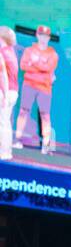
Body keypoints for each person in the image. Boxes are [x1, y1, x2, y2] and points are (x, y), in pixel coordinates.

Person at [15, 24, 58, 155]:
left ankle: (46, 145)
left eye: (46, 36)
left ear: (49, 37)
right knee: (23, 111)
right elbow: (23, 65)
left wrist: (33, 63)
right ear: (37, 35)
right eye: (41, 35)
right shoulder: (29, 50)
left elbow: (48, 68)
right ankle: (17, 140)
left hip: (44, 88)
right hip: (29, 85)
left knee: (45, 115)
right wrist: (39, 66)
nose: (43, 38)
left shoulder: (53, 54)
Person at [0, 28, 17, 161]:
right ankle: (7, 151)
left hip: (5, 91)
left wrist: (4, 95)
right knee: (5, 123)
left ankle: (4, 153)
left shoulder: (2, 53)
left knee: (3, 123)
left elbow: (2, 75)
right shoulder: (11, 52)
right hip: (13, 91)